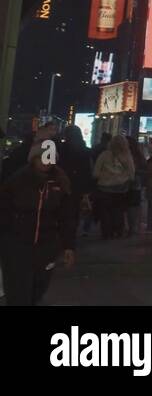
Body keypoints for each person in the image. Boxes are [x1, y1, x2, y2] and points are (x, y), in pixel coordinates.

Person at [0, 142, 77, 305]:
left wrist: (68, 245)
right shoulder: (17, 180)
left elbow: (67, 216)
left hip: (47, 245)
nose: (46, 161)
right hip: (17, 244)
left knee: (39, 285)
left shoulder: (61, 181)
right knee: (18, 290)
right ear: (34, 159)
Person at [93, 135, 135, 240]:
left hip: (104, 187)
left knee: (105, 211)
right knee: (118, 210)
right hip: (121, 188)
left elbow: (96, 173)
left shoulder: (104, 155)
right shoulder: (127, 156)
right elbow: (132, 173)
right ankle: (118, 231)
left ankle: (106, 232)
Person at [57, 126, 94, 237]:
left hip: (63, 183)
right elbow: (89, 170)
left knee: (63, 209)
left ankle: (63, 232)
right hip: (80, 185)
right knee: (75, 210)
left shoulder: (61, 149)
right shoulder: (86, 151)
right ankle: (72, 232)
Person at [125, 137, 147, 237]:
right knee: (133, 207)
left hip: (125, 183)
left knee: (128, 206)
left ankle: (129, 227)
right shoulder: (138, 155)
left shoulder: (123, 155)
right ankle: (132, 227)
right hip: (135, 183)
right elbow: (144, 168)